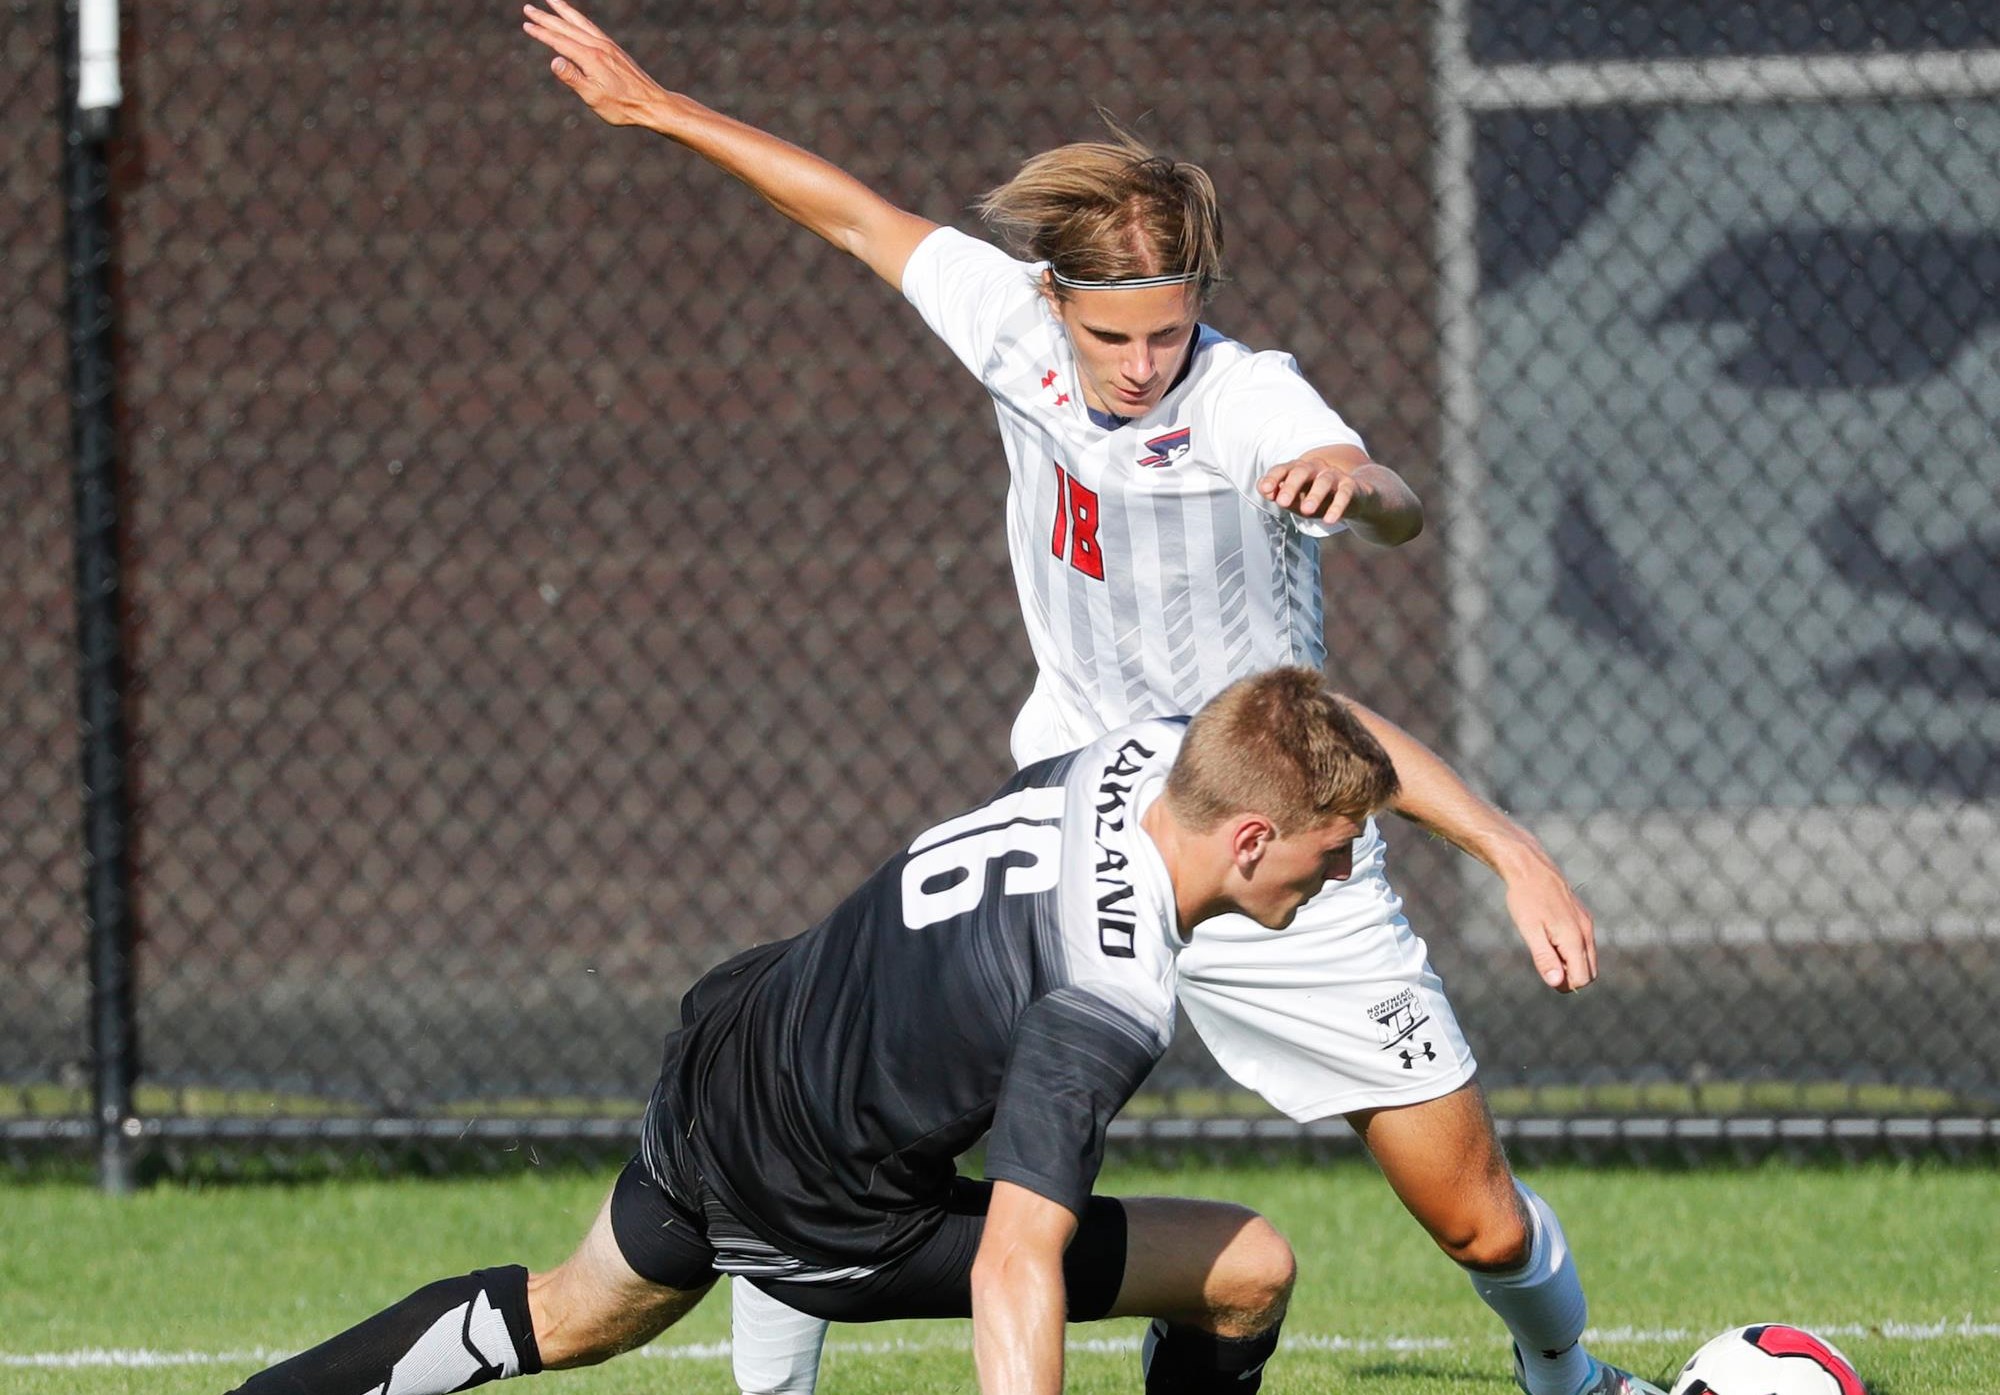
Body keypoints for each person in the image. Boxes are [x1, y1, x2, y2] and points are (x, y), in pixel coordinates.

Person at [521, 7, 1666, 1395]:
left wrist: (1359, 491)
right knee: (875, 1086)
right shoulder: (1009, 325)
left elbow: (1386, 493)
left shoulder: (1247, 397)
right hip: (1081, 806)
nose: (1141, 364)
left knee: (1472, 1210)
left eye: (1169, 332)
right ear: (1053, 297)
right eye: (1114, 333)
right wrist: (658, 107)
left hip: (1269, 833)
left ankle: (1572, 1372)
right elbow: (851, 217)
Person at [226, 669, 1400, 1395]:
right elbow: (1013, 1266)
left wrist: (1501, 846)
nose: (1342, 871)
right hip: (827, 1213)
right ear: (1248, 840)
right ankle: (782, 1276)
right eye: (1331, 849)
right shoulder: (1110, 987)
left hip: (732, 1057)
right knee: (1247, 1268)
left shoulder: (1142, 753)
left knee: (562, 1315)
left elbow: (1318, 725)